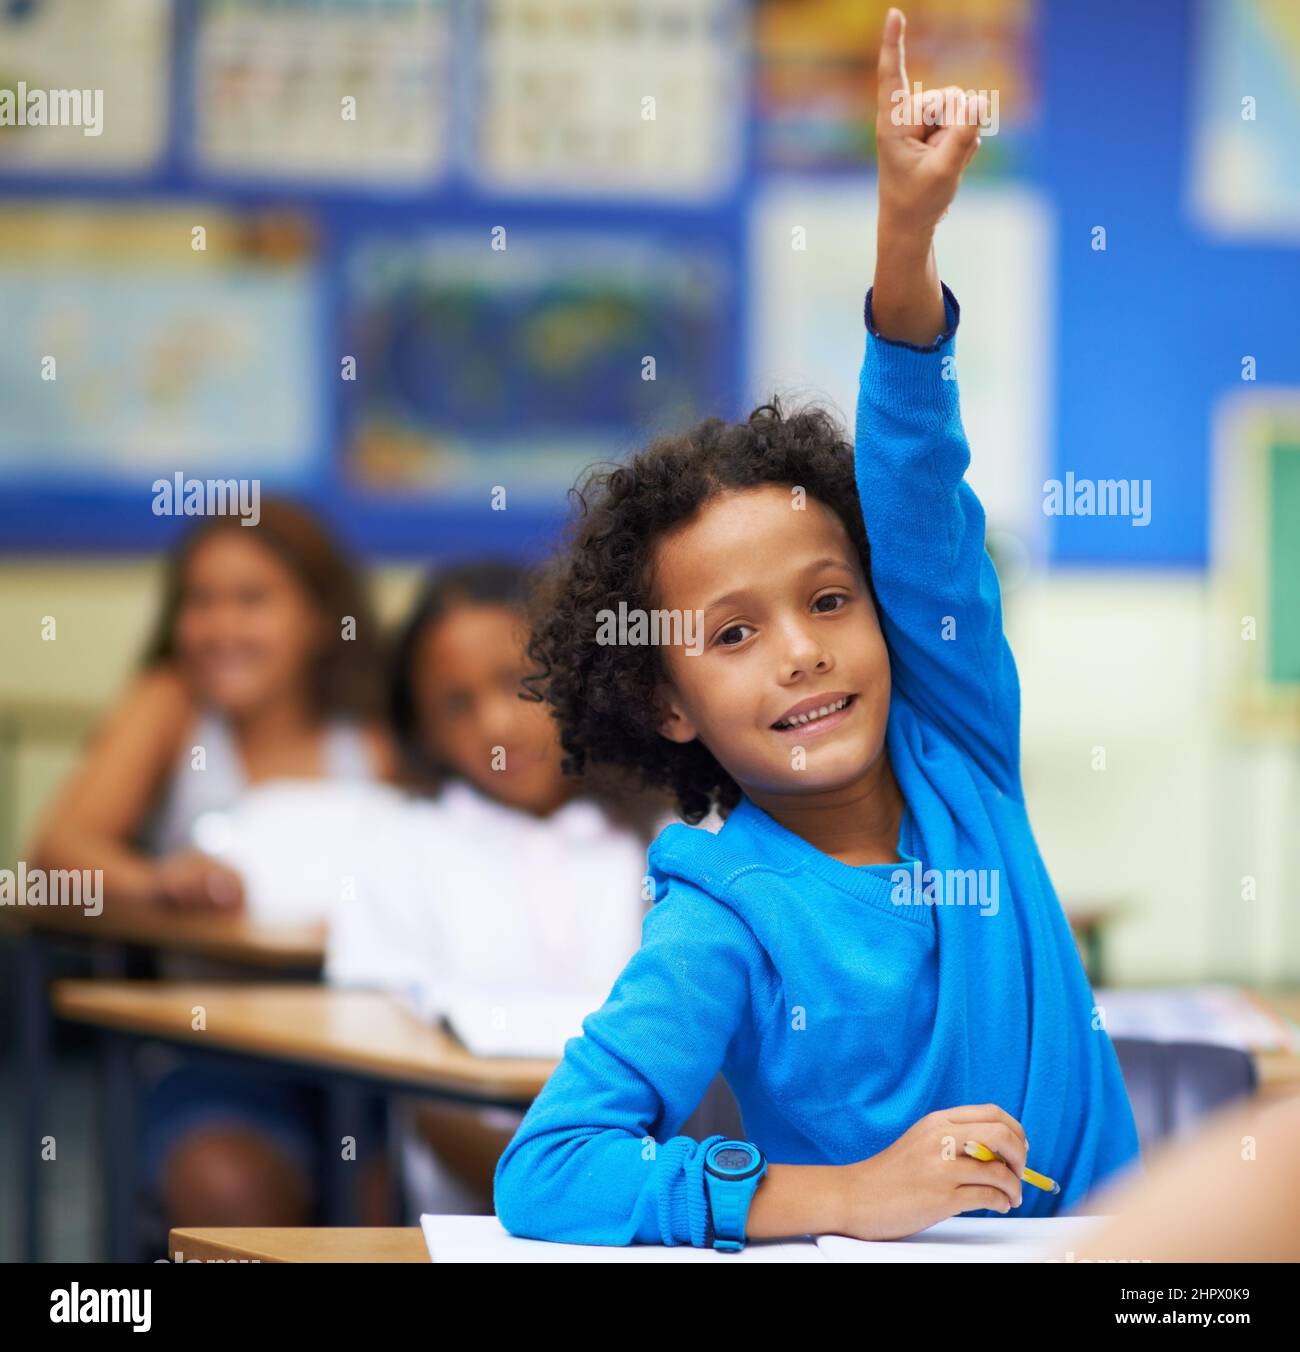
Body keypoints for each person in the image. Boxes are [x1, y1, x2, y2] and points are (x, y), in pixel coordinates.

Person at [492, 8, 1140, 1249]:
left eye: (830, 600)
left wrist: (906, 234)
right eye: (730, 635)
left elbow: (911, 476)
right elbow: (550, 1169)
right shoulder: (717, 906)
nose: (799, 648)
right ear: (665, 697)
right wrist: (840, 1194)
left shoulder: (959, 744)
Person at [31, 498, 396, 1226]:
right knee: (232, 1188)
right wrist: (163, 883)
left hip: (367, 1056)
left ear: (321, 619)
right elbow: (53, 856)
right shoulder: (171, 704)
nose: (220, 627)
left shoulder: (368, 740)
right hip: (213, 1053)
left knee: (397, 1201)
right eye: (200, 602)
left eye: (252, 600)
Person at [326, 560, 661, 1213]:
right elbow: (402, 1077)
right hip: (472, 1204)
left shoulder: (665, 834)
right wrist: (554, 1195)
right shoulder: (398, 848)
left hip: (656, 1201)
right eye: (456, 706)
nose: (497, 728)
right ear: (419, 729)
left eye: (518, 683)